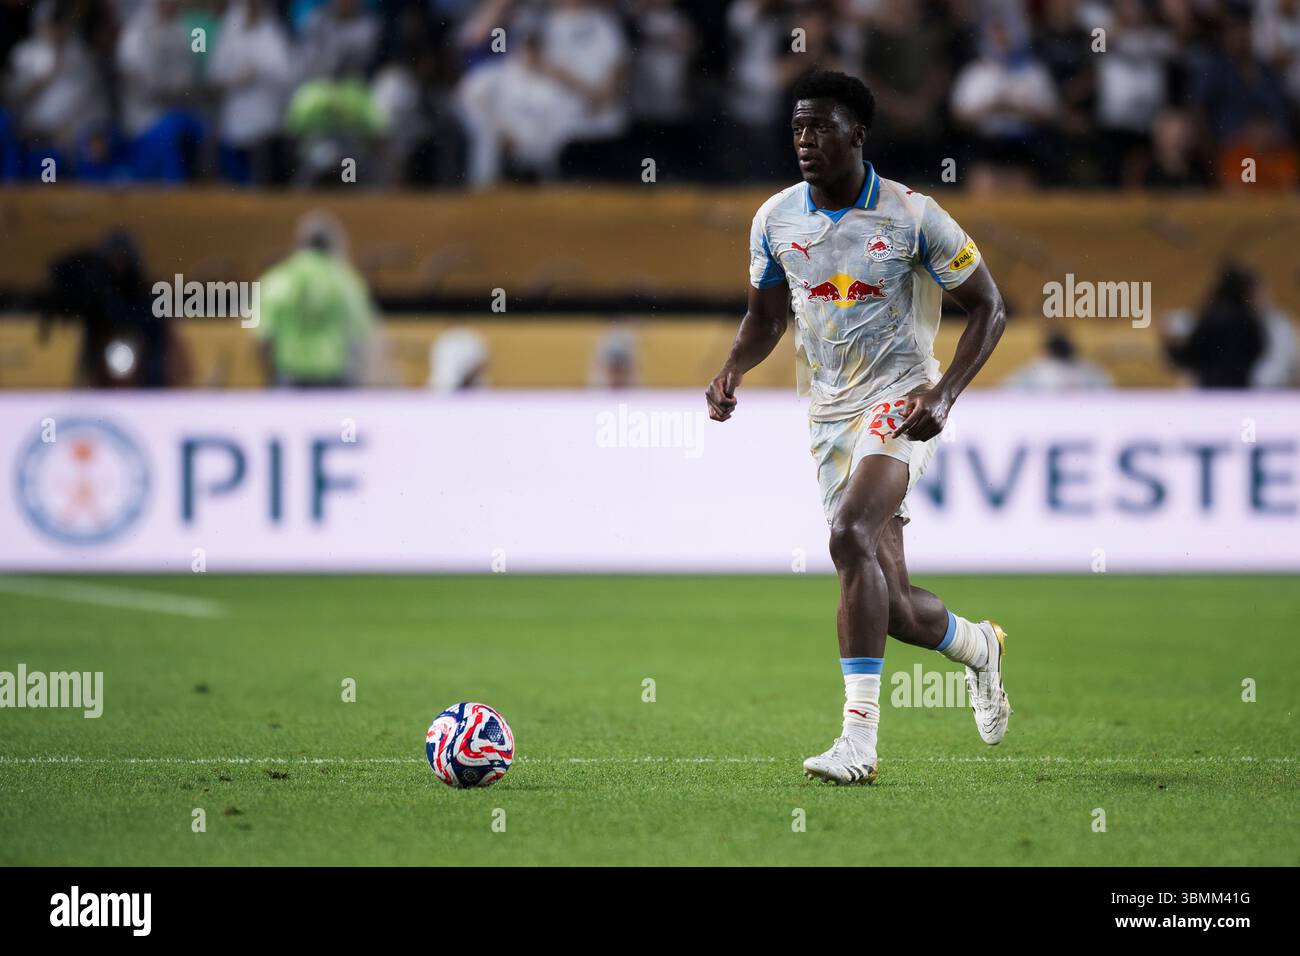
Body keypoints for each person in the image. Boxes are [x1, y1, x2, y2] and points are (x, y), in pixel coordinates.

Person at [705, 70, 1010, 786]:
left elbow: (990, 308)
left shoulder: (912, 215)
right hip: (829, 414)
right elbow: (766, 316)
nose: (805, 142)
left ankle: (858, 744)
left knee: (846, 536)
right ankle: (980, 648)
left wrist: (945, 394)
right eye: (797, 130)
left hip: (902, 399)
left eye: (820, 129)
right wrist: (732, 370)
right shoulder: (776, 218)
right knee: (895, 605)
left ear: (857, 137)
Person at [253, 211, 376, 387]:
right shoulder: (347, 282)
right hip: (335, 379)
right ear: (334, 245)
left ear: (298, 242)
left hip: (289, 378)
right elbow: (361, 336)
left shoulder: (276, 280)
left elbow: (262, 338)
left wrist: (270, 380)